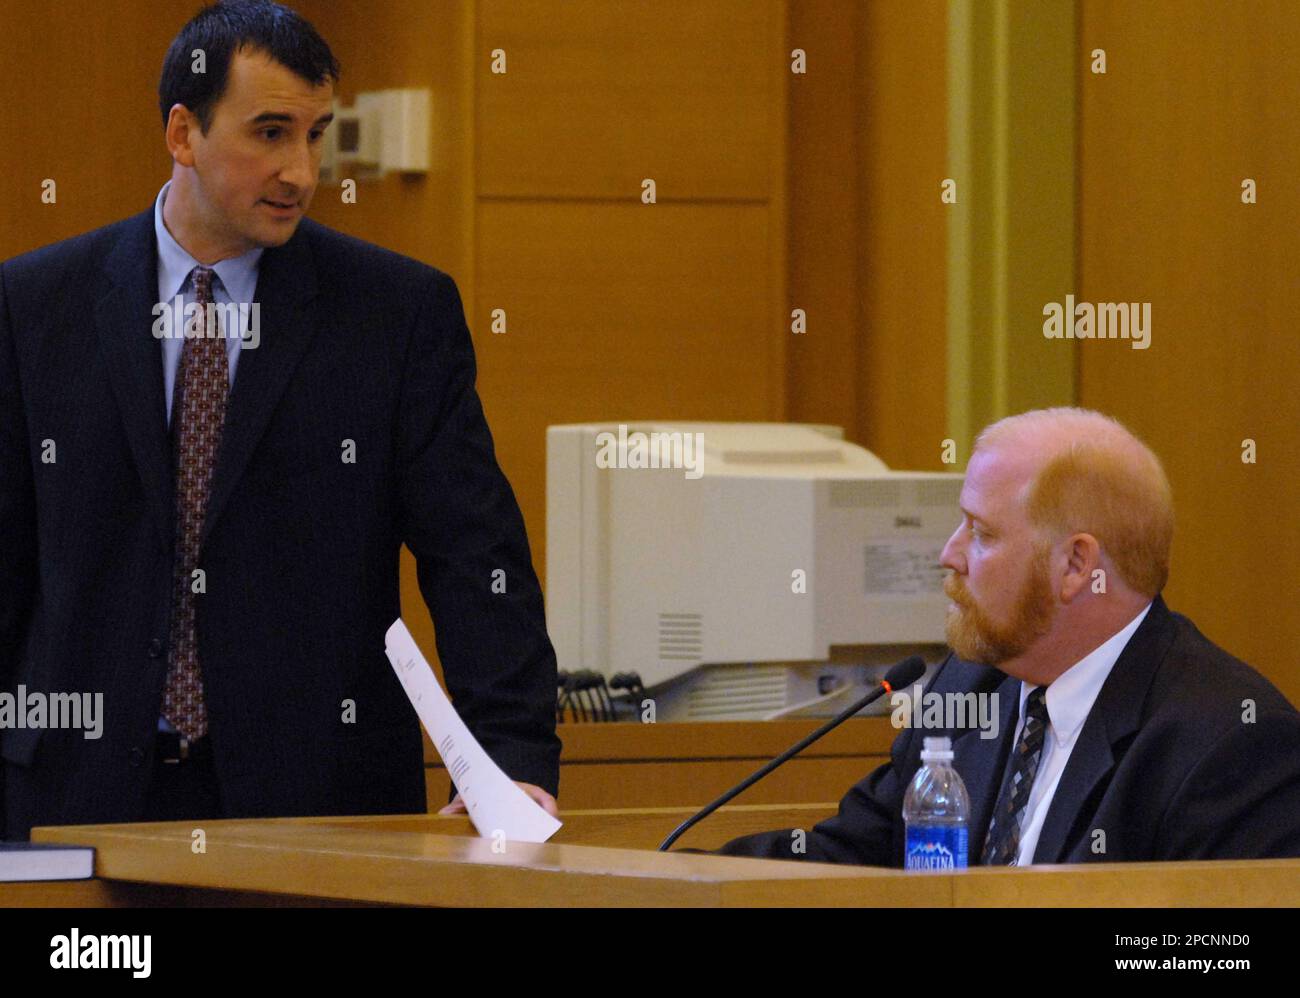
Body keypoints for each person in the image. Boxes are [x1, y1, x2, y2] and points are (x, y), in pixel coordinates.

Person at [0, 0, 560, 839]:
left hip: (318, 799)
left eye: (315, 134)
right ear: (183, 134)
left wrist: (512, 759)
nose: (301, 170)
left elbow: (475, 553)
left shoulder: (395, 315)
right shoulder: (36, 305)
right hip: (79, 797)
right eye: (269, 133)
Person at [717, 407, 1300, 865]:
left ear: (1076, 566)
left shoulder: (1228, 742)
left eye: (981, 533)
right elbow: (854, 859)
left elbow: (1218, 954)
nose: (948, 555)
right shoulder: (970, 689)